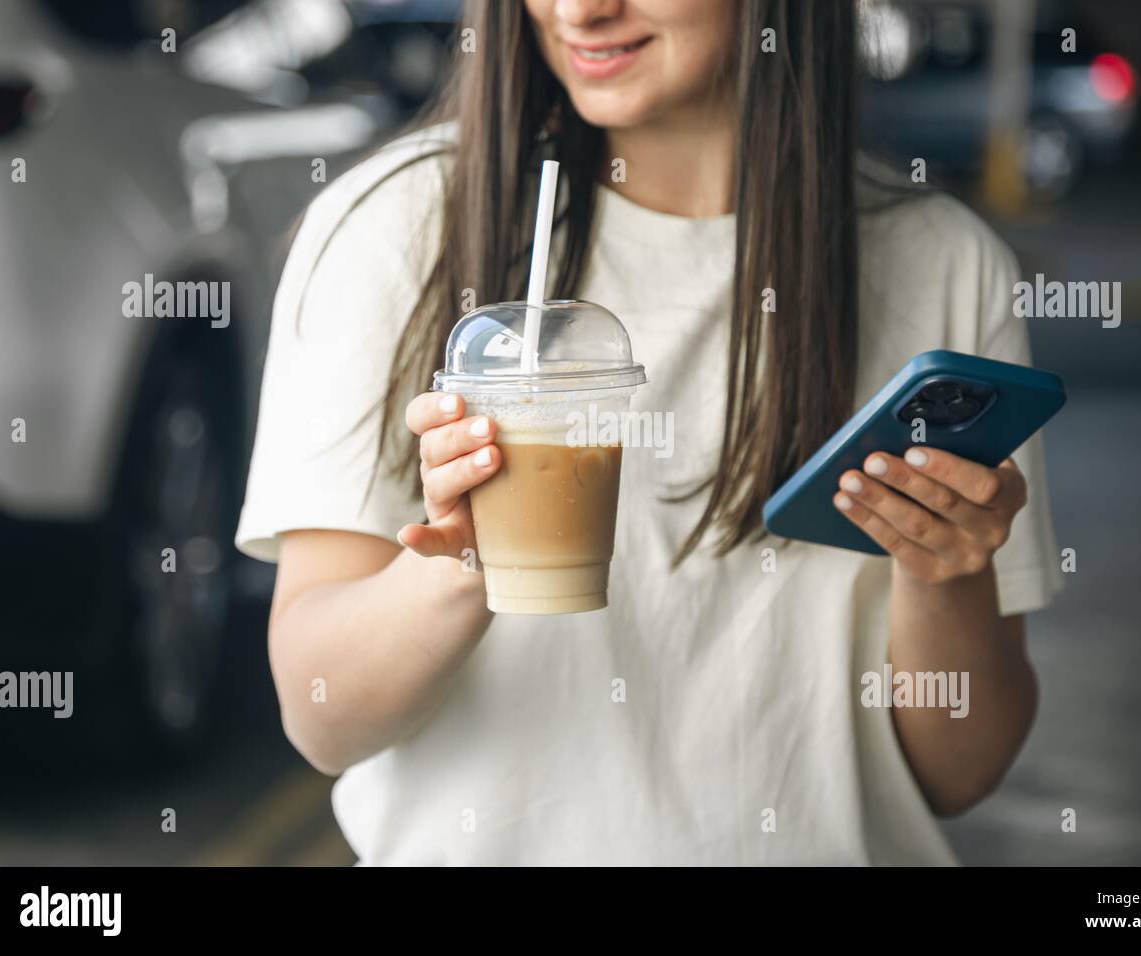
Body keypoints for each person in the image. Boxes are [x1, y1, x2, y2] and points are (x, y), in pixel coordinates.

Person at [236, 0, 1062, 865]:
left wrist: (947, 575)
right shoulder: (395, 226)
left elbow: (961, 773)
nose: (580, 10)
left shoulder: (943, 261)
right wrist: (462, 566)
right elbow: (320, 716)